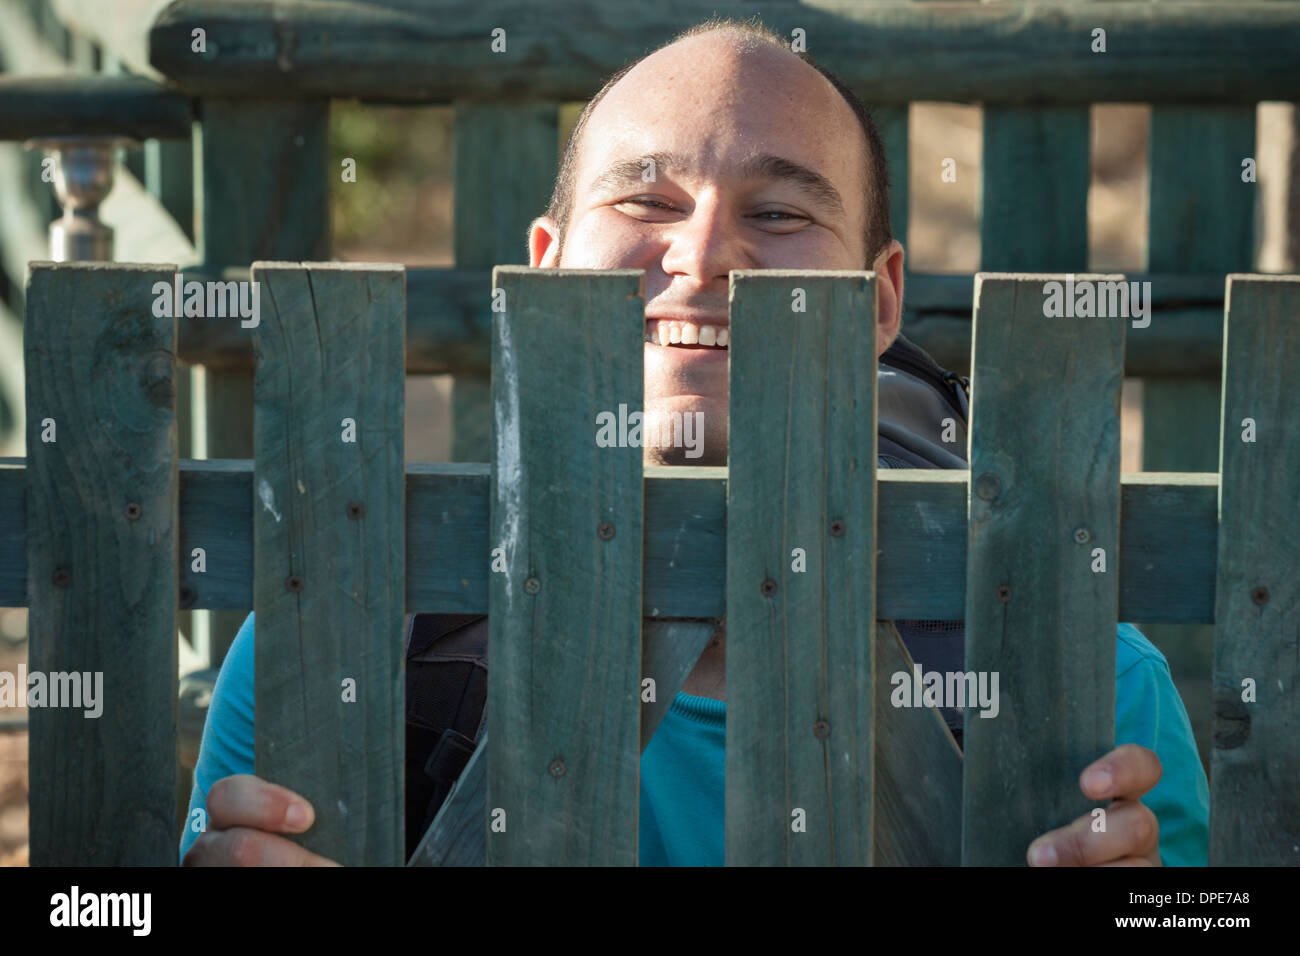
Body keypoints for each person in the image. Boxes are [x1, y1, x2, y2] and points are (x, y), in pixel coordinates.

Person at [180, 17, 1209, 867]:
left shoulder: (1092, 685)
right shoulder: (341, 643)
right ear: (546, 266)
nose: (703, 252)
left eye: (777, 208)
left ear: (880, 297)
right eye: (643, 198)